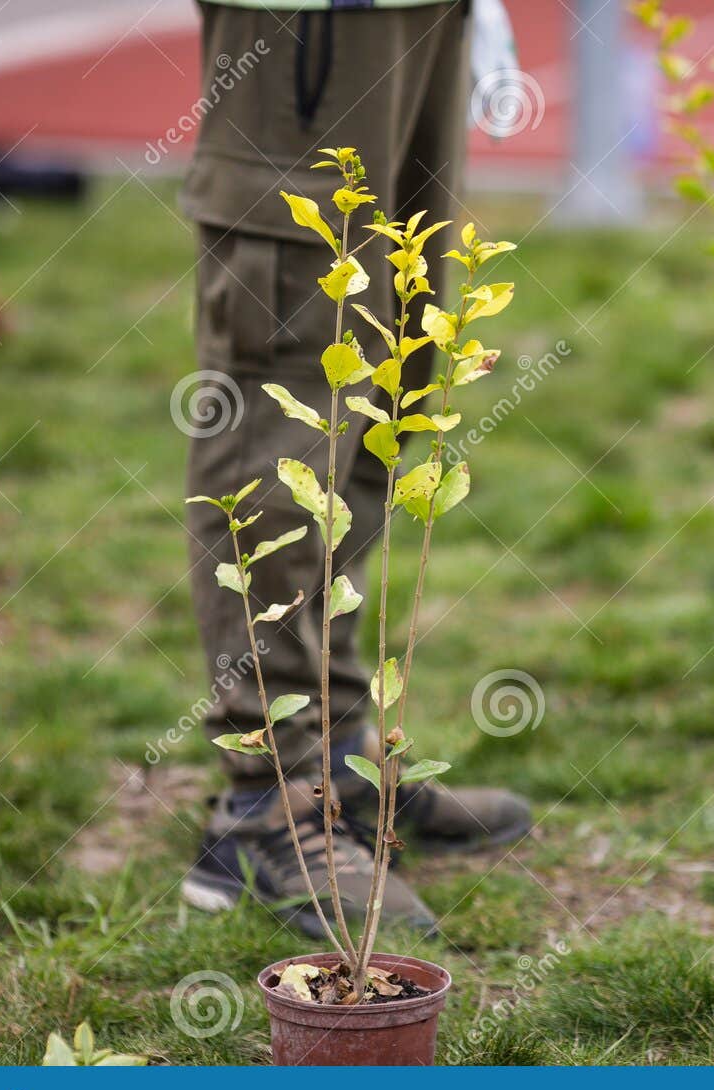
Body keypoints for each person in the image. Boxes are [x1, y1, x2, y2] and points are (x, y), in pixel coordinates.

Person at [176, 0, 530, 938]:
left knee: (387, 363)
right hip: (305, 26)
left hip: (416, 14)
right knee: (292, 377)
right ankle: (268, 803)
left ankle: (335, 766)